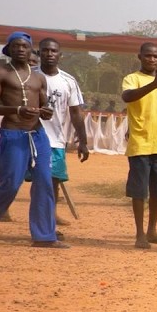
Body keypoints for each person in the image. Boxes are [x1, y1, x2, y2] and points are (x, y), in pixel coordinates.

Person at [0, 31, 64, 247]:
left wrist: (46, 112)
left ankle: (44, 236)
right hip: (13, 134)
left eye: (24, 46)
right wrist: (16, 109)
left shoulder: (39, 77)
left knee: (44, 182)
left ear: (30, 50)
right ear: (8, 49)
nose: (20, 49)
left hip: (38, 135)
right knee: (10, 185)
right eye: (16, 46)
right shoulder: (0, 73)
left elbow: (46, 106)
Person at [120, 42, 157, 249]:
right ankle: (139, 234)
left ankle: (152, 230)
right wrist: (153, 84)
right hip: (140, 143)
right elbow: (127, 97)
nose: (152, 59)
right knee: (139, 191)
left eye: (155, 56)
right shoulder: (132, 79)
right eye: (148, 56)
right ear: (140, 57)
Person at [35, 38, 89, 230]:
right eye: (45, 50)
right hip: (29, 138)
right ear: (39, 53)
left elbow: (76, 112)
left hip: (56, 141)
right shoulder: (30, 77)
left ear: (60, 55)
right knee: (15, 180)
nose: (49, 54)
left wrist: (83, 141)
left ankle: (48, 224)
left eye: (53, 51)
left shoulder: (68, 81)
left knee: (53, 182)